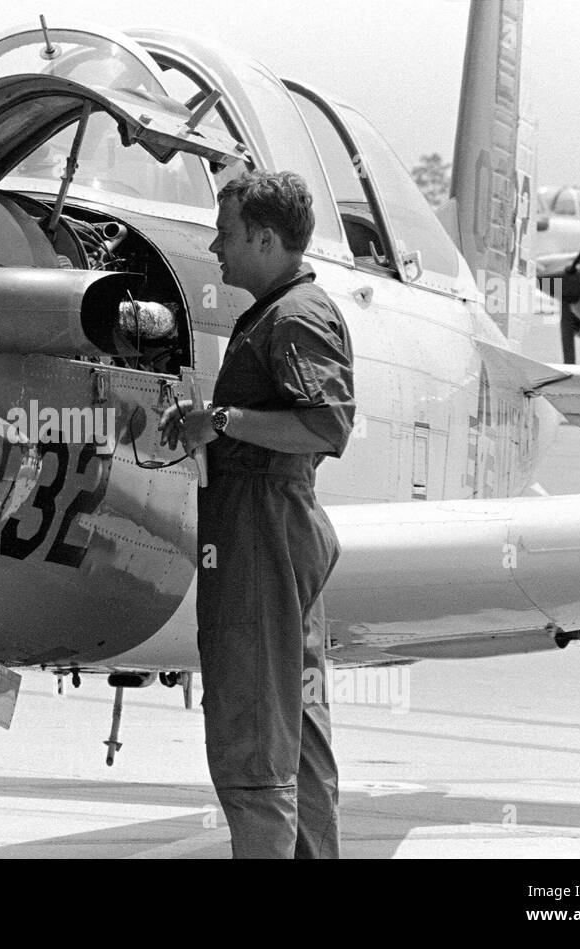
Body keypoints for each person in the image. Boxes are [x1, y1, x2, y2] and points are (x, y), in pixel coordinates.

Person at [159, 170, 355, 858]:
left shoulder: (295, 318)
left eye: (227, 232)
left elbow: (326, 425)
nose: (215, 246)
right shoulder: (280, 312)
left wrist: (222, 420)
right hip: (268, 530)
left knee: (255, 743)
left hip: (262, 537)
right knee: (295, 734)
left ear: (266, 239)